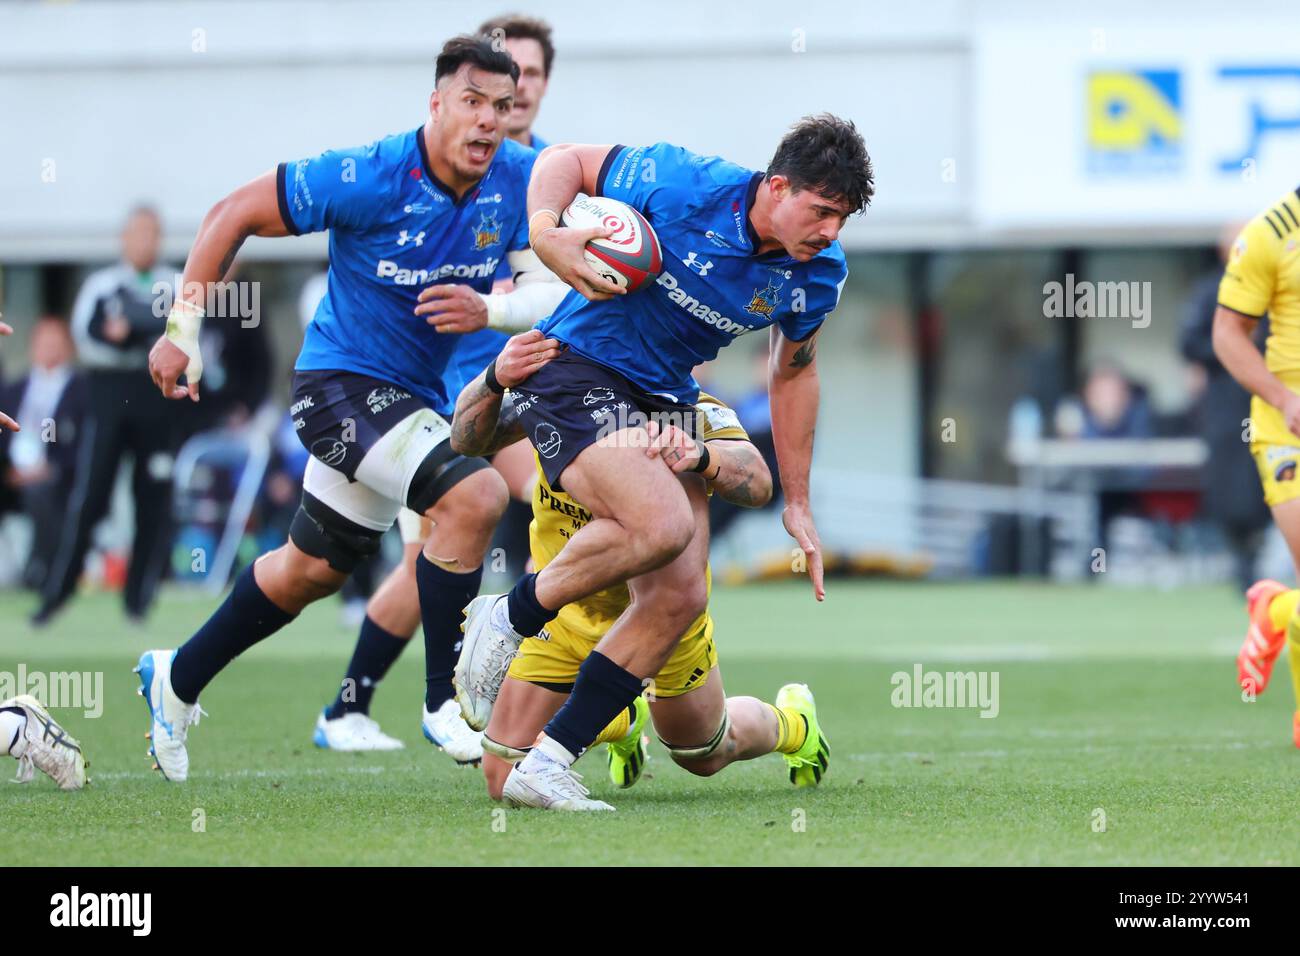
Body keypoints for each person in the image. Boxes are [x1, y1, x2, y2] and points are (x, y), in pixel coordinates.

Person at [135, 35, 572, 781]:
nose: (487, 121)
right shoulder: (366, 174)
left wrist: (499, 307)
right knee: (478, 496)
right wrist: (182, 330)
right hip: (335, 389)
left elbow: (587, 243)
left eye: (502, 107)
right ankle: (446, 703)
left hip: (411, 403)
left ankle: (176, 676)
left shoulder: (522, 180)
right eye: (471, 102)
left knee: (308, 572)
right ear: (435, 104)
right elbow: (231, 211)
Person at [455, 115, 873, 810]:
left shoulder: (817, 273)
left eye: (844, 218)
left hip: (662, 399)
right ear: (776, 188)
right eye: (823, 210)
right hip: (577, 369)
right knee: (661, 522)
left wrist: (797, 501)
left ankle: (551, 762)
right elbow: (565, 159)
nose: (831, 231)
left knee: (682, 597)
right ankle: (509, 617)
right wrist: (546, 231)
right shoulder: (684, 182)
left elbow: (793, 373)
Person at [313, 17, 561, 756]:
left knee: (438, 553)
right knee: (522, 502)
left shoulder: (545, 171)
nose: (505, 100)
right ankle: (465, 690)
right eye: (488, 85)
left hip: (522, 379)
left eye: (529, 75)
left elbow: (572, 285)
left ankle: (357, 704)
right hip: (454, 383)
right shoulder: (439, 171)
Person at [449, 337, 827, 808]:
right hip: (563, 610)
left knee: (704, 752)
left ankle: (795, 724)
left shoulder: (687, 409)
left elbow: (757, 482)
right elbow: (466, 439)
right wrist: (491, 379)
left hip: (660, 614)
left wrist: (703, 459)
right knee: (500, 779)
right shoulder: (561, 392)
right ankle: (619, 718)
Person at [34, 206, 181, 625]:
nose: (143, 242)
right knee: (91, 494)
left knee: (152, 498)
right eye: (136, 233)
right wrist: (131, 332)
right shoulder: (102, 284)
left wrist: (133, 329)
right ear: (123, 239)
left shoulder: (172, 283)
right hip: (110, 397)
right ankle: (57, 593)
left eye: (151, 234)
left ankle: (138, 600)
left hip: (155, 396)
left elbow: (183, 332)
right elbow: (89, 334)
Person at [1210, 186, 1300, 746]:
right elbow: (1226, 333)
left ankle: (1274, 609)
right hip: (1287, 431)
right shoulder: (1271, 233)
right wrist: (1284, 398)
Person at [1180, 228, 1271, 593]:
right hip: (1225, 407)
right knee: (1230, 487)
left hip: (1270, 400)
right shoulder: (1210, 293)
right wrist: (1234, 349)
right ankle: (1242, 561)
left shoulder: (1272, 285)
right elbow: (1191, 343)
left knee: (1269, 480)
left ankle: (1264, 558)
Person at [0, 317, 87, 589]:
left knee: (43, 492)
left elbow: (84, 443)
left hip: (56, 476)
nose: (48, 348)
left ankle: (41, 571)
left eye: (55, 341)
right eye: (43, 342)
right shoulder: (12, 390)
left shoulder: (83, 391)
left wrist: (48, 467)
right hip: (10, 475)